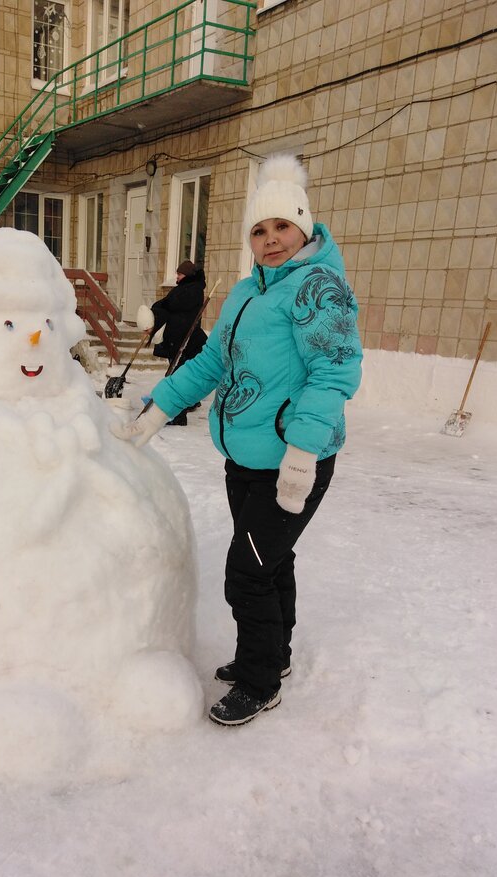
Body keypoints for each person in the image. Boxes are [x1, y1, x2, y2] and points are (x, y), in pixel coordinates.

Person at [111, 154, 363, 727]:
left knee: (246, 571)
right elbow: (212, 363)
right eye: (259, 229)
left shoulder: (317, 288)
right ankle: (273, 656)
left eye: (281, 227)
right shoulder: (249, 293)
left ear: (303, 225)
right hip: (246, 459)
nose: (270, 239)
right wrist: (158, 410)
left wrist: (303, 451)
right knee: (270, 564)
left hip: (293, 462)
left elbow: (335, 371)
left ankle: (259, 680)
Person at [148, 260, 207, 425]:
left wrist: (162, 304)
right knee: (179, 376)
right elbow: (168, 303)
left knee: (177, 378)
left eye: (179, 274)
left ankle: (179, 416)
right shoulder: (183, 288)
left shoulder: (193, 290)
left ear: (187, 275)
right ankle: (189, 403)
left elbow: (173, 303)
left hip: (184, 340)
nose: (177, 277)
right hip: (177, 339)